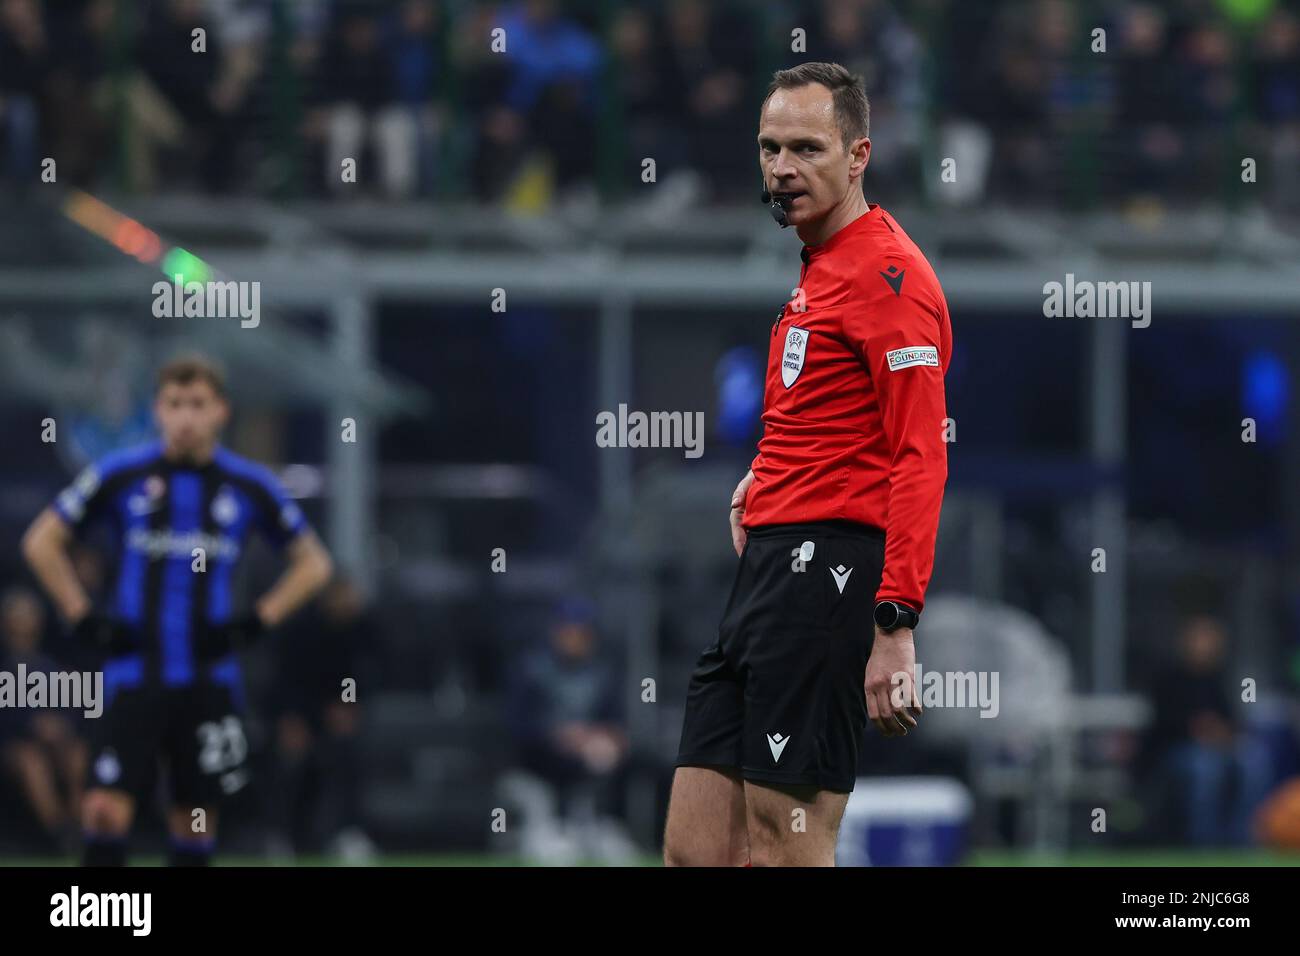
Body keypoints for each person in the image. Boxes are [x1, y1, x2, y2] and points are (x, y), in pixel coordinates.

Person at [665, 62, 952, 866]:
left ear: (858, 155)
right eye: (768, 149)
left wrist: (895, 625)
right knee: (697, 851)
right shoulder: (820, 268)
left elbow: (920, 454)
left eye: (806, 148)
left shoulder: (890, 279)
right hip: (764, 566)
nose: (782, 168)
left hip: (827, 572)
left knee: (784, 844)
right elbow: (833, 414)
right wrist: (768, 473)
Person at [21, 353, 333, 865]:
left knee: (193, 817)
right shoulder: (120, 475)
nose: (186, 416)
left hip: (208, 677)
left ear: (221, 412)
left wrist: (256, 620)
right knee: (102, 808)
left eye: (198, 404)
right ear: (157, 411)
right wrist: (81, 614)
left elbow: (314, 564)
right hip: (132, 673)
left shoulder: (250, 485)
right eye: (174, 404)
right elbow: (41, 542)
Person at [0, 587, 86, 853]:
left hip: (56, 742)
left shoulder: (50, 664)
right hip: (13, 743)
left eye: (30, 614)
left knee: (77, 754)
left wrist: (60, 725)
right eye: (19, 615)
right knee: (32, 761)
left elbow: (73, 710)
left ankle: (82, 827)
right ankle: (59, 832)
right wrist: (30, 726)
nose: (26, 621)